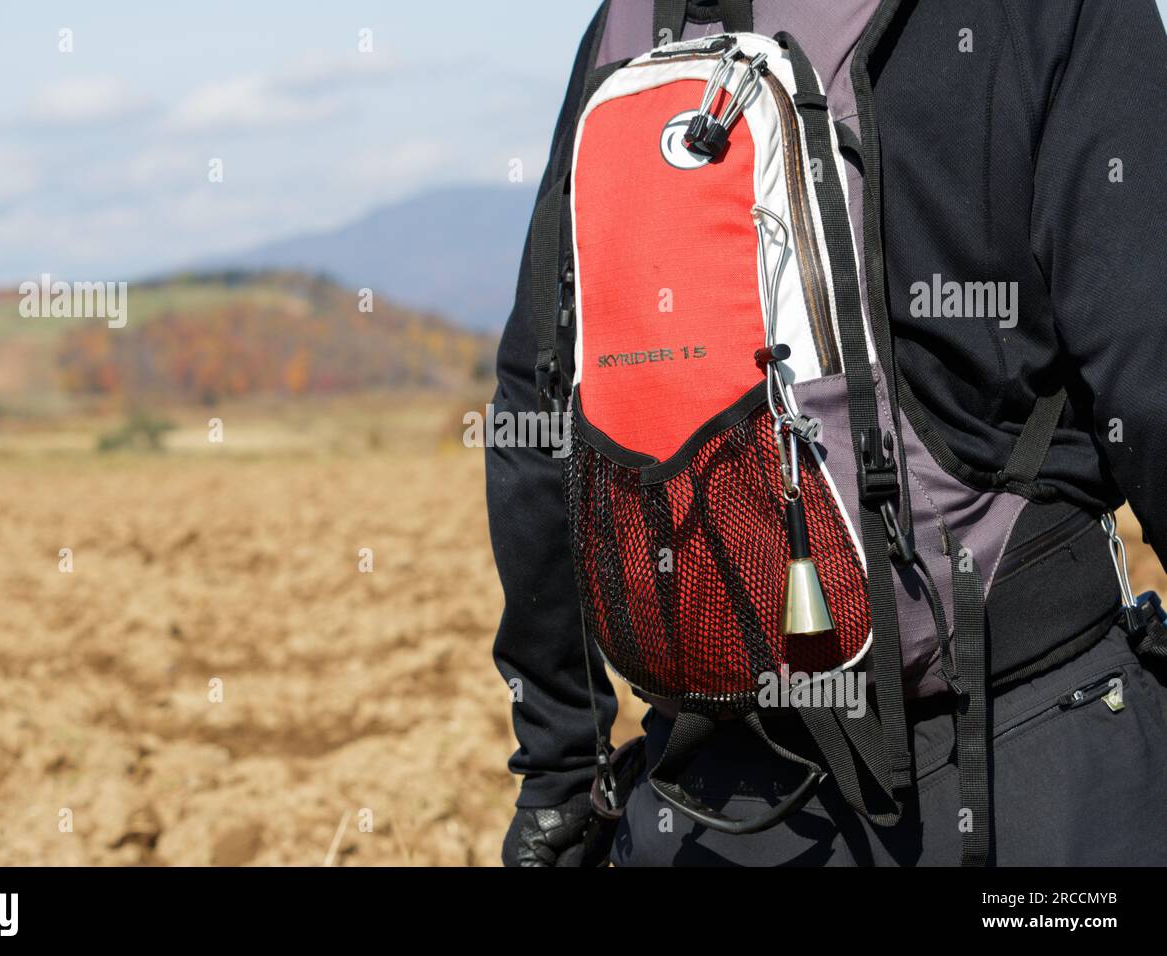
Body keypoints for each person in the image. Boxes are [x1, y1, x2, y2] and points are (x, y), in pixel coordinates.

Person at [489, 0, 1167, 866]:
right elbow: (1150, 376)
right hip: (1023, 763)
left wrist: (559, 766)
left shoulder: (632, 26)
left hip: (707, 796)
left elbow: (539, 398)